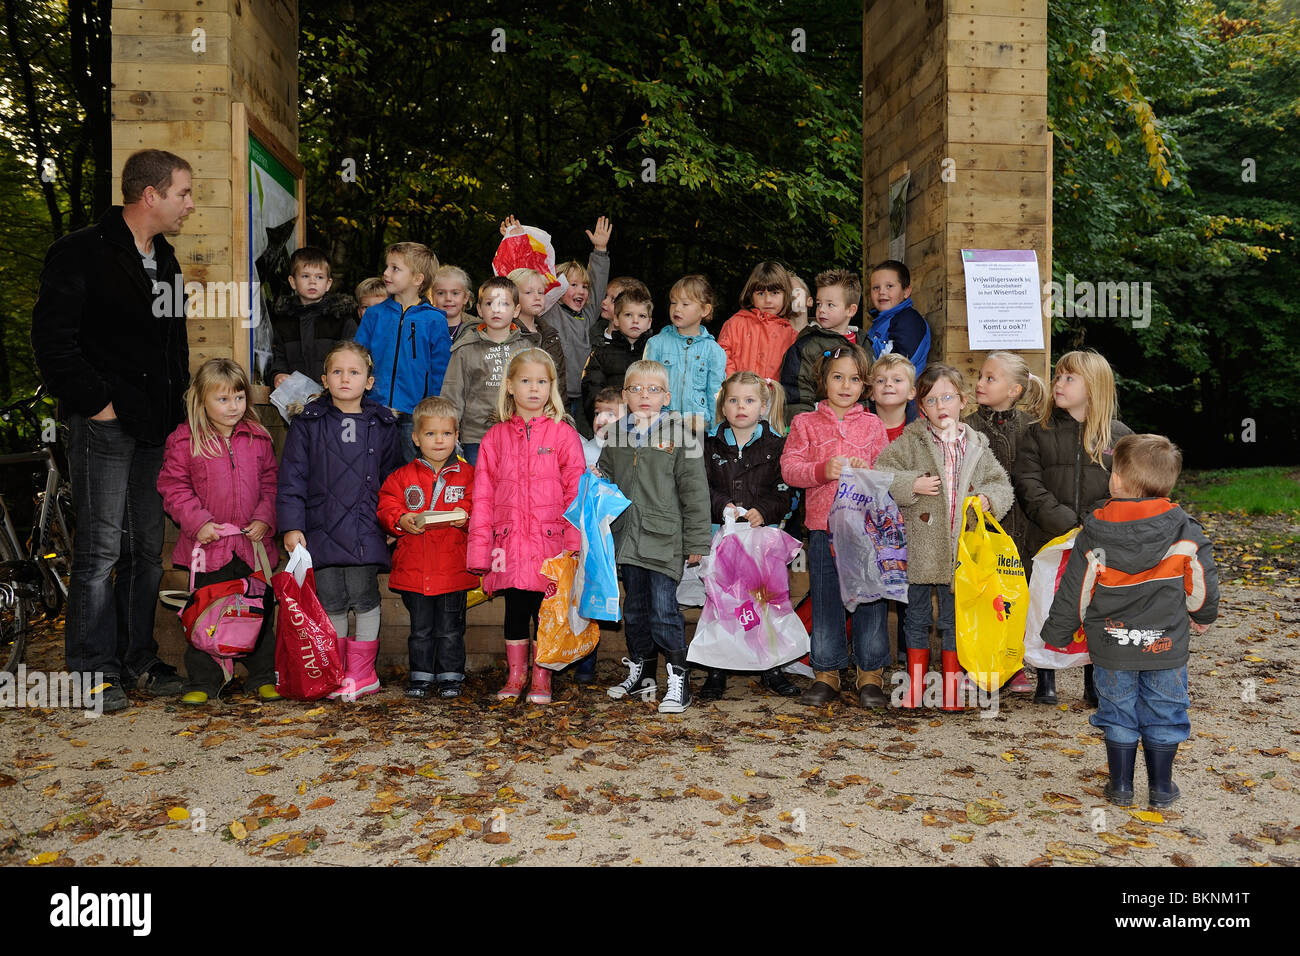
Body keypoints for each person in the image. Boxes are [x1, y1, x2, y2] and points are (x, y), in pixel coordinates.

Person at [31, 148, 195, 712]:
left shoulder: (166, 260)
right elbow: (53, 344)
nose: (189, 204)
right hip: (105, 424)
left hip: (155, 428)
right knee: (99, 552)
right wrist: (97, 404)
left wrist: (178, 412)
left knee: (146, 551)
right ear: (151, 195)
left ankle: (136, 659)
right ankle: (90, 672)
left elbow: (174, 347)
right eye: (184, 193)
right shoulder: (80, 253)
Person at [1041, 434, 1218, 808]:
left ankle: (1121, 787)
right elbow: (1201, 583)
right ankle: (1161, 788)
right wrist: (1201, 616)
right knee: (1166, 709)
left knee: (1117, 709)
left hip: (1112, 644)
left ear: (1118, 480)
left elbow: (1076, 590)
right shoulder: (1185, 530)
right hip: (1164, 645)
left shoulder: (1094, 532)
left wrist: (1058, 633)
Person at [877, 363, 1014, 711]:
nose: (941, 406)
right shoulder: (912, 440)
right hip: (922, 549)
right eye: (932, 400)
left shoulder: (977, 445)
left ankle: (951, 689)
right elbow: (881, 473)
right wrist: (911, 484)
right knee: (917, 618)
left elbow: (1001, 485)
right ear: (921, 407)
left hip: (960, 552)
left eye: (947, 397)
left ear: (963, 401)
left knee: (955, 621)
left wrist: (987, 500)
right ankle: (915, 687)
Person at [277, 341, 402, 699]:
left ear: (368, 381)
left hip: (366, 528)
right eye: (337, 372)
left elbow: (392, 478)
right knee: (330, 600)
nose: (345, 378)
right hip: (320, 529)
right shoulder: (307, 423)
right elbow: (292, 479)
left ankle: (363, 673)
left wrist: (391, 523)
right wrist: (291, 526)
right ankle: (335, 670)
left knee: (364, 597)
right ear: (324, 379)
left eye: (354, 372)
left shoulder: (382, 423)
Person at [1013, 349, 1132, 707]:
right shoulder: (1039, 433)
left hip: (1099, 539)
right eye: (1057, 377)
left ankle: (1093, 680)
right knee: (1048, 605)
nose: (1058, 384)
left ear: (1093, 387)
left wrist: (1093, 521)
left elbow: (1129, 485)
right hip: (1048, 537)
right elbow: (1027, 482)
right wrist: (1064, 521)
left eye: (1069, 378)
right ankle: (1045, 678)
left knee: (1096, 605)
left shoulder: (1120, 437)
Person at [157, 359, 279, 704]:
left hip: (252, 546)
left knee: (258, 613)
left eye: (239, 398)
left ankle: (261, 676)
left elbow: (272, 484)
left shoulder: (258, 438)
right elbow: (173, 487)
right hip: (210, 548)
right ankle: (204, 681)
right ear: (201, 400)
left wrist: (265, 518)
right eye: (223, 399)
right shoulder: (185, 440)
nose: (233, 406)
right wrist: (199, 523)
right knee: (206, 615)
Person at [466, 349, 584, 705]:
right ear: (510, 386)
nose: (534, 388)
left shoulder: (563, 435)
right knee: (515, 610)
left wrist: (574, 541)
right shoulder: (495, 438)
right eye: (526, 381)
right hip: (510, 544)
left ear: (552, 387)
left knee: (545, 612)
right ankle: (516, 675)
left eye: (542, 382)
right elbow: (482, 497)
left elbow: (575, 492)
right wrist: (479, 551)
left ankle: (542, 677)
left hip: (551, 545)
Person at [781, 345, 891, 708]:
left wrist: (867, 472)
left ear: (865, 385)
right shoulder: (804, 423)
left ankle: (870, 674)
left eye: (855, 379)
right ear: (823, 381)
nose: (846, 385)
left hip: (864, 531)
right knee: (826, 600)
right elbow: (789, 469)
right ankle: (826, 672)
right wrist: (821, 471)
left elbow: (887, 476)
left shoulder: (874, 426)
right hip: (822, 527)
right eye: (837, 377)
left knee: (869, 600)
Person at [600, 360, 712, 713]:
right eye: (635, 389)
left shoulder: (682, 437)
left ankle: (679, 679)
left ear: (666, 396)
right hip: (627, 539)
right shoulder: (616, 434)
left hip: (664, 539)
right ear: (625, 395)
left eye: (653, 390)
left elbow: (695, 493)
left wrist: (696, 542)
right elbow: (605, 476)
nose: (644, 396)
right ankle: (643, 675)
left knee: (664, 610)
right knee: (634, 610)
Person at [699, 372, 795, 700]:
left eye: (749, 400)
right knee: (720, 603)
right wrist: (721, 505)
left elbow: (785, 491)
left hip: (760, 540)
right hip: (721, 538)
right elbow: (700, 488)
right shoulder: (708, 445)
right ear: (723, 407)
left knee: (763, 603)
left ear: (763, 406)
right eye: (734, 400)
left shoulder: (776, 445)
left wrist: (764, 511)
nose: (742, 406)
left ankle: (771, 667)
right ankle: (716, 670)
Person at [377, 396, 477, 700]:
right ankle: (420, 676)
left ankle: (451, 676)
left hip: (452, 570)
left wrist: (466, 517)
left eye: (446, 434)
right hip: (415, 571)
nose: (439, 440)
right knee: (420, 629)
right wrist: (401, 520)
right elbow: (386, 506)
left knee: (450, 629)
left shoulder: (469, 475)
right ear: (416, 437)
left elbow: (482, 508)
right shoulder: (401, 476)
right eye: (431, 434)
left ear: (457, 436)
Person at [964, 350, 1050, 694]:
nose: (981, 383)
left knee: (1017, 597)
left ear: (1015, 390)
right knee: (984, 595)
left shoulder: (1033, 428)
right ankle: (980, 666)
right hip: (982, 529)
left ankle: (1014, 664)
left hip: (1025, 529)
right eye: (981, 376)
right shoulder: (967, 426)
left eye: (990, 378)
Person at [355, 241, 451, 462]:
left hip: (414, 413)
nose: (386, 273)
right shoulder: (374, 315)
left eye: (395, 268)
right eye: (387, 266)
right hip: (374, 409)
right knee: (371, 468)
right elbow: (358, 358)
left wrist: (433, 409)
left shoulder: (435, 320)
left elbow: (441, 370)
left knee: (412, 471)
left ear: (417, 279)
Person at [441, 276, 537, 465]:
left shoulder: (527, 349)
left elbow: (539, 392)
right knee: (478, 489)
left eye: (504, 304)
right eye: (489, 303)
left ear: (516, 310)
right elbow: (452, 395)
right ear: (479, 309)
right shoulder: (465, 349)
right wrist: (448, 431)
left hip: (519, 435)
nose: (496, 309)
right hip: (476, 437)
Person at [540, 218, 612, 421]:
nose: (581, 291)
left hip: (582, 397)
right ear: (559, 287)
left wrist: (599, 249)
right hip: (553, 396)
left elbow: (598, 289)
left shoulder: (586, 318)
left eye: (584, 287)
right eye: (573, 285)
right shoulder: (548, 312)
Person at [643, 274, 727, 430]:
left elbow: (716, 396)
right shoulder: (656, 344)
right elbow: (646, 387)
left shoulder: (714, 351)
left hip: (699, 428)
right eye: (673, 302)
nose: (677, 308)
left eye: (685, 304)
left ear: (705, 310)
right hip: (663, 426)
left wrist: (715, 432)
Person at [266, 246, 358, 388]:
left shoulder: (341, 320)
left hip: (333, 397)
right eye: (305, 276)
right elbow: (279, 358)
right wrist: (278, 374)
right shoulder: (284, 323)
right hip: (295, 399)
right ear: (292, 282)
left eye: (319, 277)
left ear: (328, 284)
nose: (312, 282)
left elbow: (354, 359)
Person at [780, 268, 863, 419]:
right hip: (819, 428)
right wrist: (807, 430)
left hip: (859, 428)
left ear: (850, 310)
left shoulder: (864, 342)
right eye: (819, 304)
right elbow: (796, 397)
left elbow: (870, 391)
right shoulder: (806, 346)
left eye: (830, 305)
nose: (821, 310)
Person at [581, 286, 652, 423]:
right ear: (616, 320)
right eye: (628, 315)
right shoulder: (601, 354)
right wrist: (606, 419)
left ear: (649, 322)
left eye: (641, 316)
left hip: (648, 426)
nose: (635, 320)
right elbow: (592, 393)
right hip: (612, 425)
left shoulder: (655, 353)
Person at [718, 261, 799, 380]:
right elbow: (721, 355)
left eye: (775, 293)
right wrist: (734, 382)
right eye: (761, 293)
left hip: (772, 396)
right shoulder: (735, 323)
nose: (768, 300)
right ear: (751, 296)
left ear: (785, 295)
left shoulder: (790, 335)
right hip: (737, 393)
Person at [508, 268, 569, 399]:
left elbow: (560, 382)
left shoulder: (551, 335)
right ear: (513, 297)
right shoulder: (507, 335)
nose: (537, 297)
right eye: (528, 292)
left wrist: (563, 415)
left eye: (541, 292)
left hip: (550, 413)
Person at [865, 260, 930, 375]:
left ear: (906, 291)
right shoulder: (879, 323)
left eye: (889, 286)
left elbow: (898, 363)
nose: (882, 292)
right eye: (876, 288)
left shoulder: (910, 320)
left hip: (899, 391)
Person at [431, 265, 476, 344]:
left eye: (455, 293)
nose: (448, 298)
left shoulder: (477, 329)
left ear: (465, 298)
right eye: (441, 293)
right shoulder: (425, 327)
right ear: (432, 297)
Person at [582, 387, 625, 470]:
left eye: (610, 414)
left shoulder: (630, 452)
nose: (601, 419)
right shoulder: (584, 452)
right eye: (597, 413)